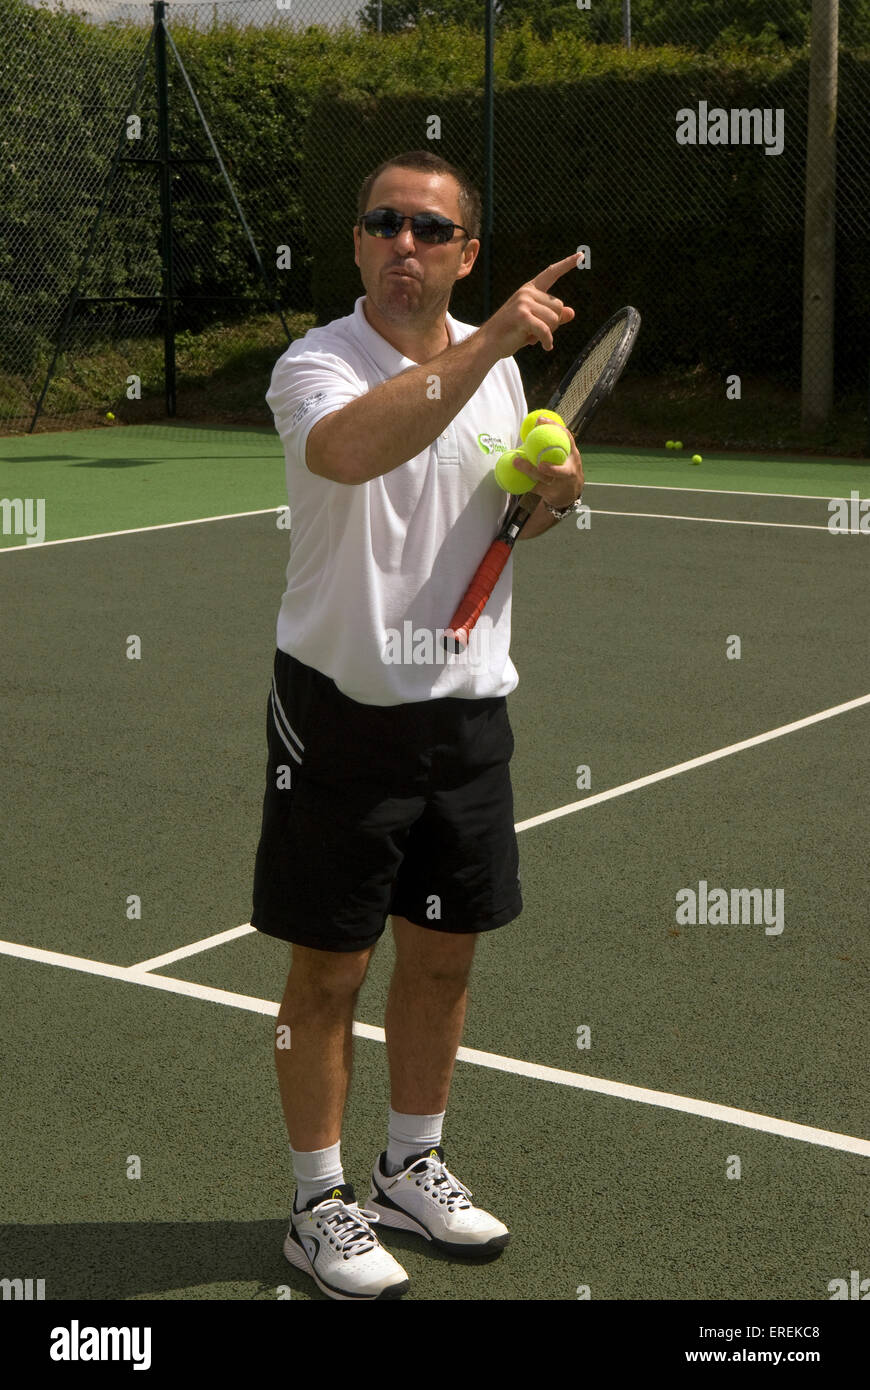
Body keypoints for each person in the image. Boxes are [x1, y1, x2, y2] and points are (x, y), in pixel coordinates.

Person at [251, 149, 584, 1301]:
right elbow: (349, 454)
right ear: (355, 244)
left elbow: (499, 517)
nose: (406, 244)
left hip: (466, 712)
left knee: (442, 959)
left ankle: (410, 1163)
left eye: (430, 230)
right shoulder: (316, 366)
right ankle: (315, 1200)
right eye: (384, 224)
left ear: (466, 252)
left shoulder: (497, 381)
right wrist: (491, 339)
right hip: (340, 717)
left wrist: (547, 500)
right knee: (330, 971)